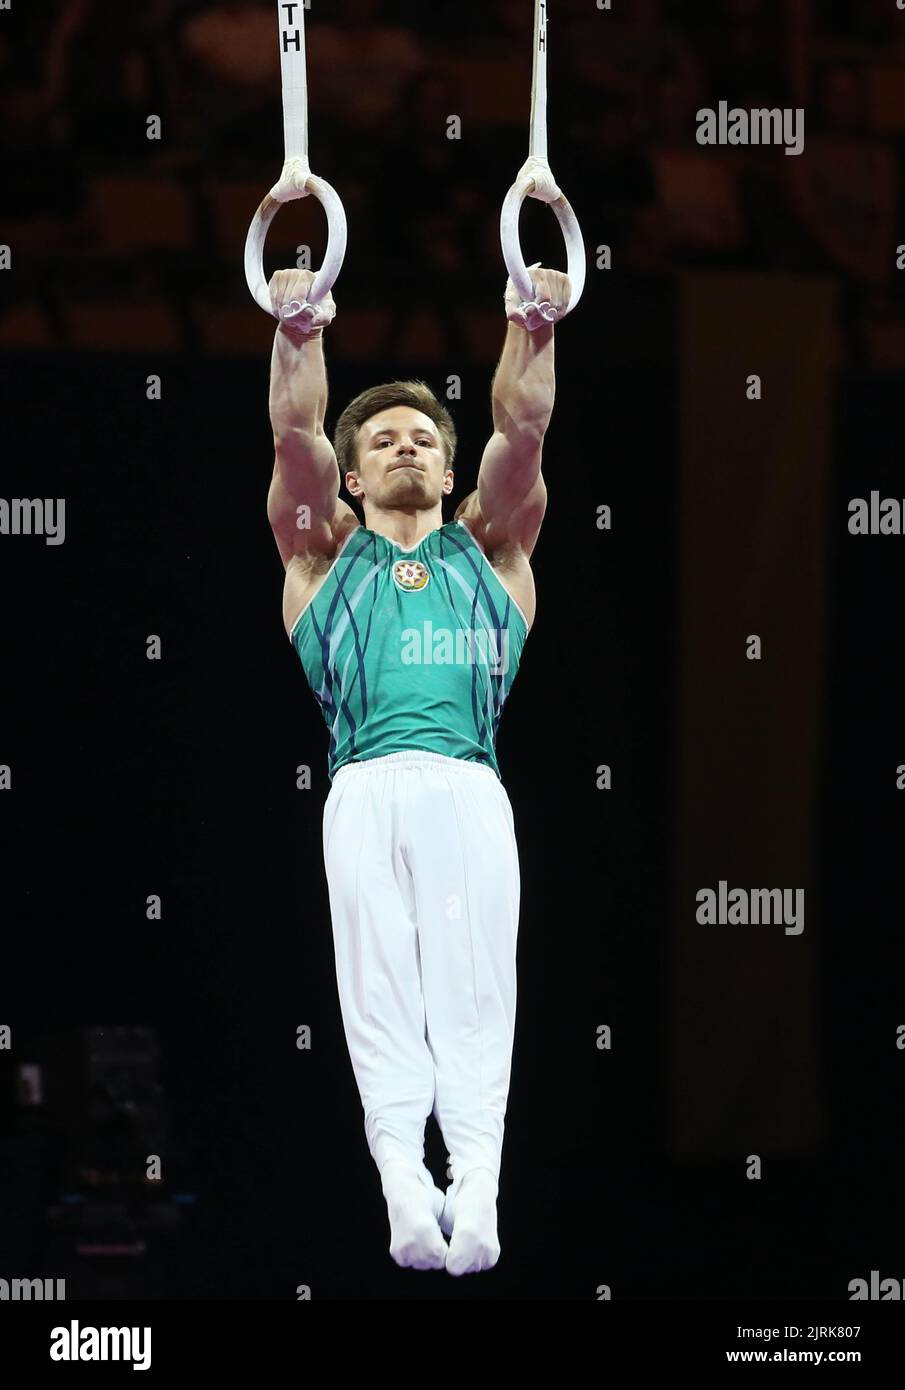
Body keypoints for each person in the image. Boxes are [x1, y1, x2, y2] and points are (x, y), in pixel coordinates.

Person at [265, 262, 568, 1275]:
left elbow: (521, 434)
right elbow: (294, 438)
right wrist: (296, 329)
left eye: (425, 438)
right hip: (360, 789)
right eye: (382, 439)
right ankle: (404, 1184)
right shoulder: (318, 557)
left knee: (474, 996)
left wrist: (532, 322)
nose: (406, 446)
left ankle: (475, 1190)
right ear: (354, 477)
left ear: (450, 472)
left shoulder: (495, 553)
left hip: (468, 785)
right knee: (382, 995)